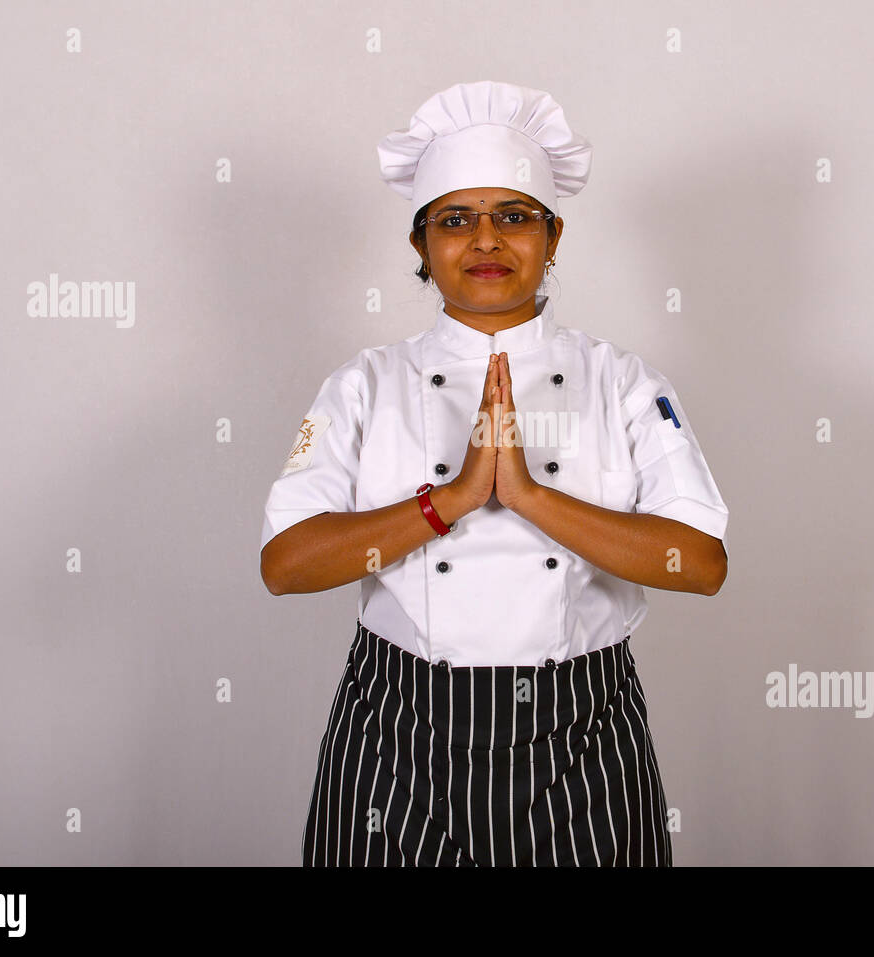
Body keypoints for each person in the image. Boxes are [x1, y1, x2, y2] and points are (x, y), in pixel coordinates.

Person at [259, 80, 730, 866]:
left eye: (513, 216)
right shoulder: (361, 386)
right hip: (398, 736)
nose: (486, 241)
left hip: (583, 740)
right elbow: (286, 564)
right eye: (455, 221)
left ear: (552, 234)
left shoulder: (624, 382)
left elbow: (702, 564)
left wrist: (530, 497)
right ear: (421, 245)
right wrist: (450, 501)